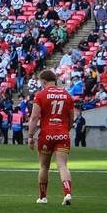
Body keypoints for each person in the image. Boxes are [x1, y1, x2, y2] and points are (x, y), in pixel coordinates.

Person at [27, 69, 74, 205]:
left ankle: (42, 197)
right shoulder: (67, 95)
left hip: (46, 134)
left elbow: (35, 117)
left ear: (44, 81)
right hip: (62, 133)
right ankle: (67, 193)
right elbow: (71, 118)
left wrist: (30, 136)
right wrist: (65, 130)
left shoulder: (40, 95)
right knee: (63, 166)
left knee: (44, 167)